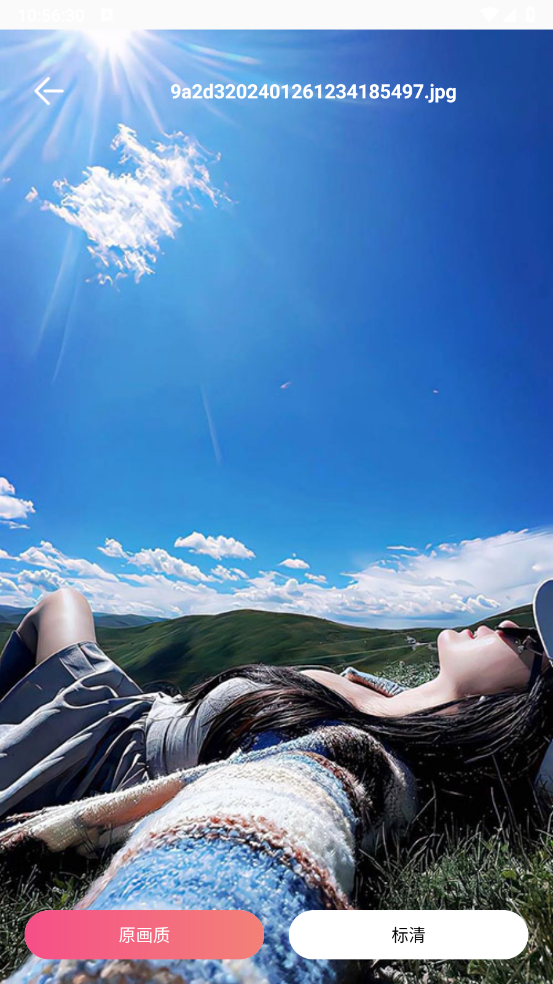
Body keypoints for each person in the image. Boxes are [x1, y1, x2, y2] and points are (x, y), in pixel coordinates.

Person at [1, 582, 552, 831]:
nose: (508, 624)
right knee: (62, 601)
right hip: (140, 712)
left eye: (528, 641)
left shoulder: (354, 757)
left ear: (522, 709)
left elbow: (274, 818)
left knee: (59, 603)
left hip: (102, 751)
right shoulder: (398, 704)